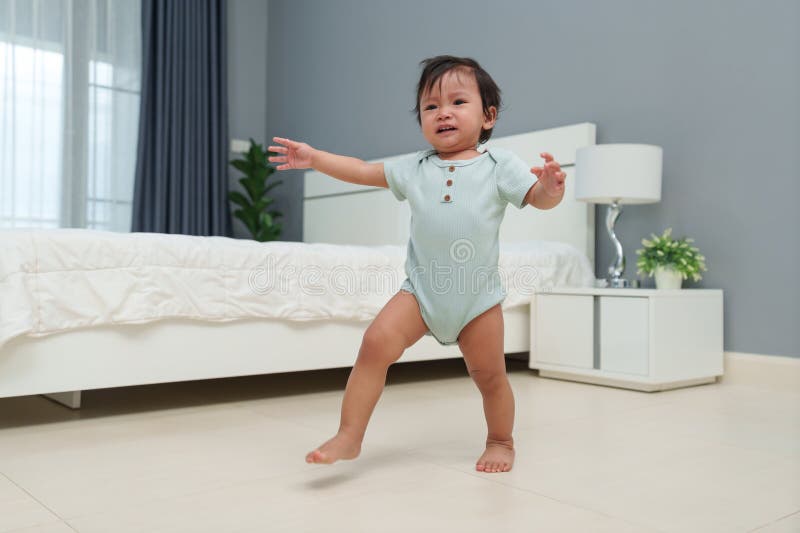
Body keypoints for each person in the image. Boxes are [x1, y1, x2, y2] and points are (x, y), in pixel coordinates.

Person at [269, 55, 566, 473]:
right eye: (430, 106)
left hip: (476, 301)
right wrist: (316, 159)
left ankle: (501, 440)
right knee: (374, 346)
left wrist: (552, 187)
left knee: (491, 377)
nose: (443, 112)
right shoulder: (414, 168)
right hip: (421, 292)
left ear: (488, 115)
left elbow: (538, 198)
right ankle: (349, 435)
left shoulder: (501, 167)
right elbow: (361, 170)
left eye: (458, 102)